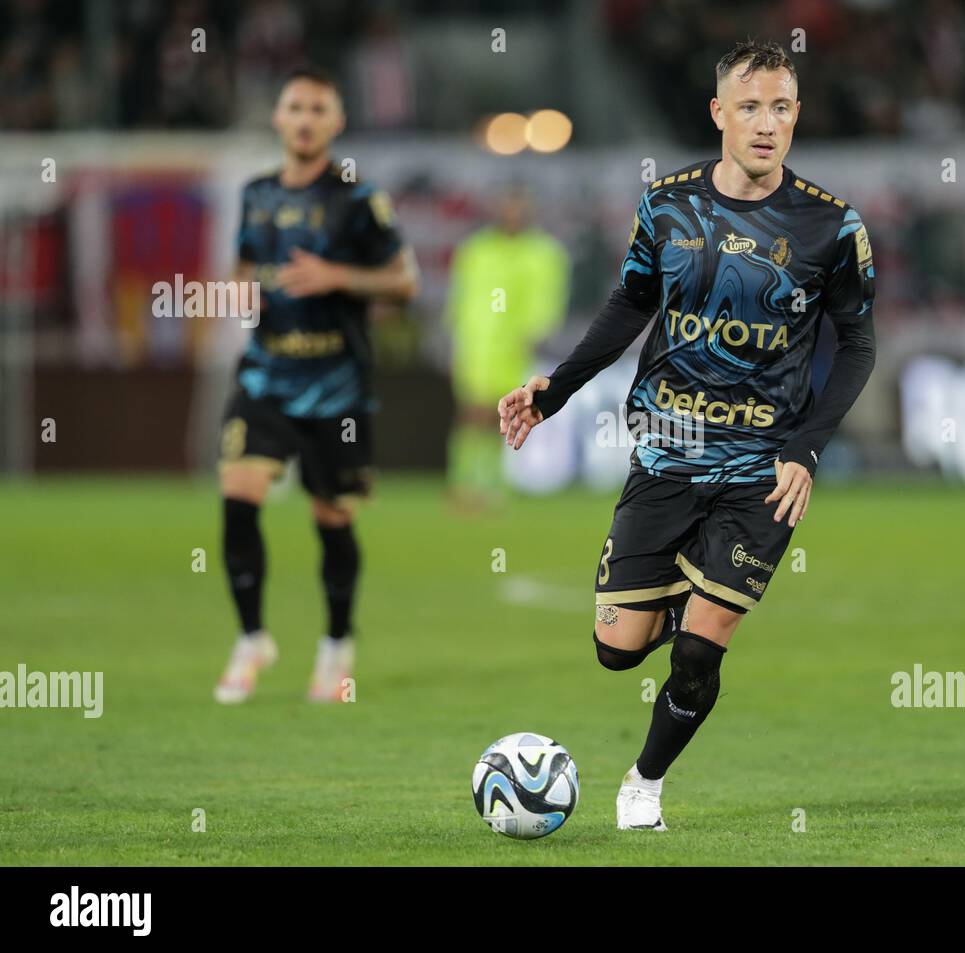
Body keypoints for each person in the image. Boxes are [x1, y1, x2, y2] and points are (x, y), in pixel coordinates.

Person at [497, 40, 877, 829]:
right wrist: (555, 390)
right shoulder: (666, 205)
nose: (766, 123)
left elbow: (859, 344)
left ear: (796, 115)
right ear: (719, 115)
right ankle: (684, 599)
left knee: (702, 650)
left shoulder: (831, 227)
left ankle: (643, 783)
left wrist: (806, 447)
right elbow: (630, 306)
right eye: (749, 107)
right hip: (665, 453)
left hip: (763, 470)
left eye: (780, 107)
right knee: (617, 648)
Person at [214, 66, 420, 704]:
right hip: (267, 373)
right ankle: (252, 638)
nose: (304, 119)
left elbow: (405, 281)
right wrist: (239, 288)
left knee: (331, 517)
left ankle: (336, 648)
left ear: (335, 123)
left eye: (317, 109)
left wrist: (338, 277)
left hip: (336, 385)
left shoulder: (358, 198)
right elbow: (244, 265)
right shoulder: (255, 193)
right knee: (238, 491)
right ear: (278, 118)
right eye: (294, 107)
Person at [444, 187, 568, 510]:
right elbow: (461, 295)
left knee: (506, 414)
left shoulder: (543, 252)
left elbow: (547, 301)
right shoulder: (477, 249)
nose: (512, 213)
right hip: (477, 344)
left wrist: (536, 330)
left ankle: (490, 484)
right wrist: (457, 332)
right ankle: (464, 483)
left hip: (517, 348)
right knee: (472, 413)